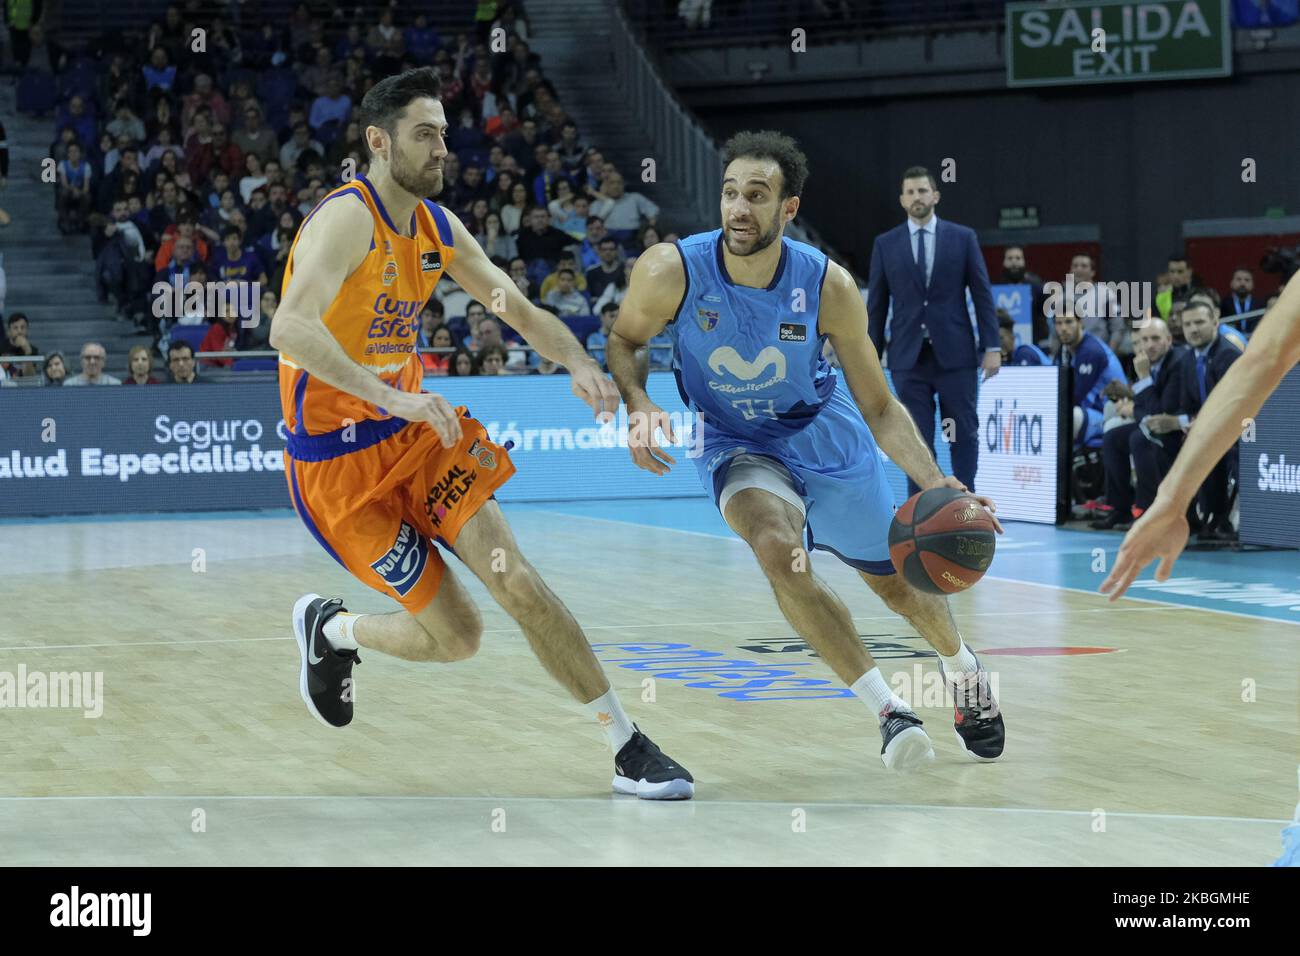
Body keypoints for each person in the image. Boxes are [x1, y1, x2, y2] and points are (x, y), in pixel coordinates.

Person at [268, 67, 693, 799]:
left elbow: (519, 310)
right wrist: (385, 397)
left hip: (420, 442)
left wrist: (581, 366)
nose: (442, 149)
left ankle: (626, 744)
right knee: (458, 638)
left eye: (444, 133)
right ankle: (333, 632)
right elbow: (289, 328)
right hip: (338, 474)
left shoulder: (437, 228)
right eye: (424, 134)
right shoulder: (347, 218)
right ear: (379, 141)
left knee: (515, 579)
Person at [607, 130, 1006, 771]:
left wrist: (935, 482)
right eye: (731, 193)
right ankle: (887, 709)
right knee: (776, 550)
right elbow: (625, 341)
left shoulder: (829, 286)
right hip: (734, 442)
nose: (738, 208)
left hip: (825, 432)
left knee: (900, 588)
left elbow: (880, 405)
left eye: (757, 196)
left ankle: (963, 669)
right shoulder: (670, 269)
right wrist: (638, 402)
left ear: (788, 209)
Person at [1102, 272, 1300, 599]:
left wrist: (1172, 498)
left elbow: (1261, 364)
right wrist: (1173, 498)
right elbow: (1259, 366)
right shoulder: (1188, 359)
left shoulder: (1219, 351)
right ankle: (1214, 517)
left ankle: (1222, 518)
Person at [867, 165, 998, 495]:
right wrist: (868, 355)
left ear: (935, 196)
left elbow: (982, 293)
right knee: (915, 438)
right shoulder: (885, 244)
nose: (917, 197)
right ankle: (923, 511)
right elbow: (877, 305)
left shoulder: (963, 237)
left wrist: (992, 346)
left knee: (964, 432)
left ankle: (967, 504)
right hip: (908, 358)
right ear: (901, 199)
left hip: (956, 355)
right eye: (910, 192)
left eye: (922, 191)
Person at [1091, 317, 1189, 530]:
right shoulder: (1151, 362)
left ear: (1169, 339)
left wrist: (1143, 378)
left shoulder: (1177, 362)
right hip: (1158, 424)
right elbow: (1147, 409)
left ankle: (1146, 509)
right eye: (1144, 339)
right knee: (1114, 437)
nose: (1149, 345)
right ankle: (1120, 508)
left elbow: (1160, 410)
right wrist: (1138, 408)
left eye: (1155, 338)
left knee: (1140, 438)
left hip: (1180, 428)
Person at [1052, 310, 1124, 449]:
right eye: (1059, 323)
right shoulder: (1063, 351)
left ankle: (1065, 468)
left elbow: (1075, 396)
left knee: (1070, 416)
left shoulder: (1091, 351)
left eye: (1068, 322)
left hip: (1111, 414)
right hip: (1089, 411)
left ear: (1080, 323)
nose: (1063, 328)